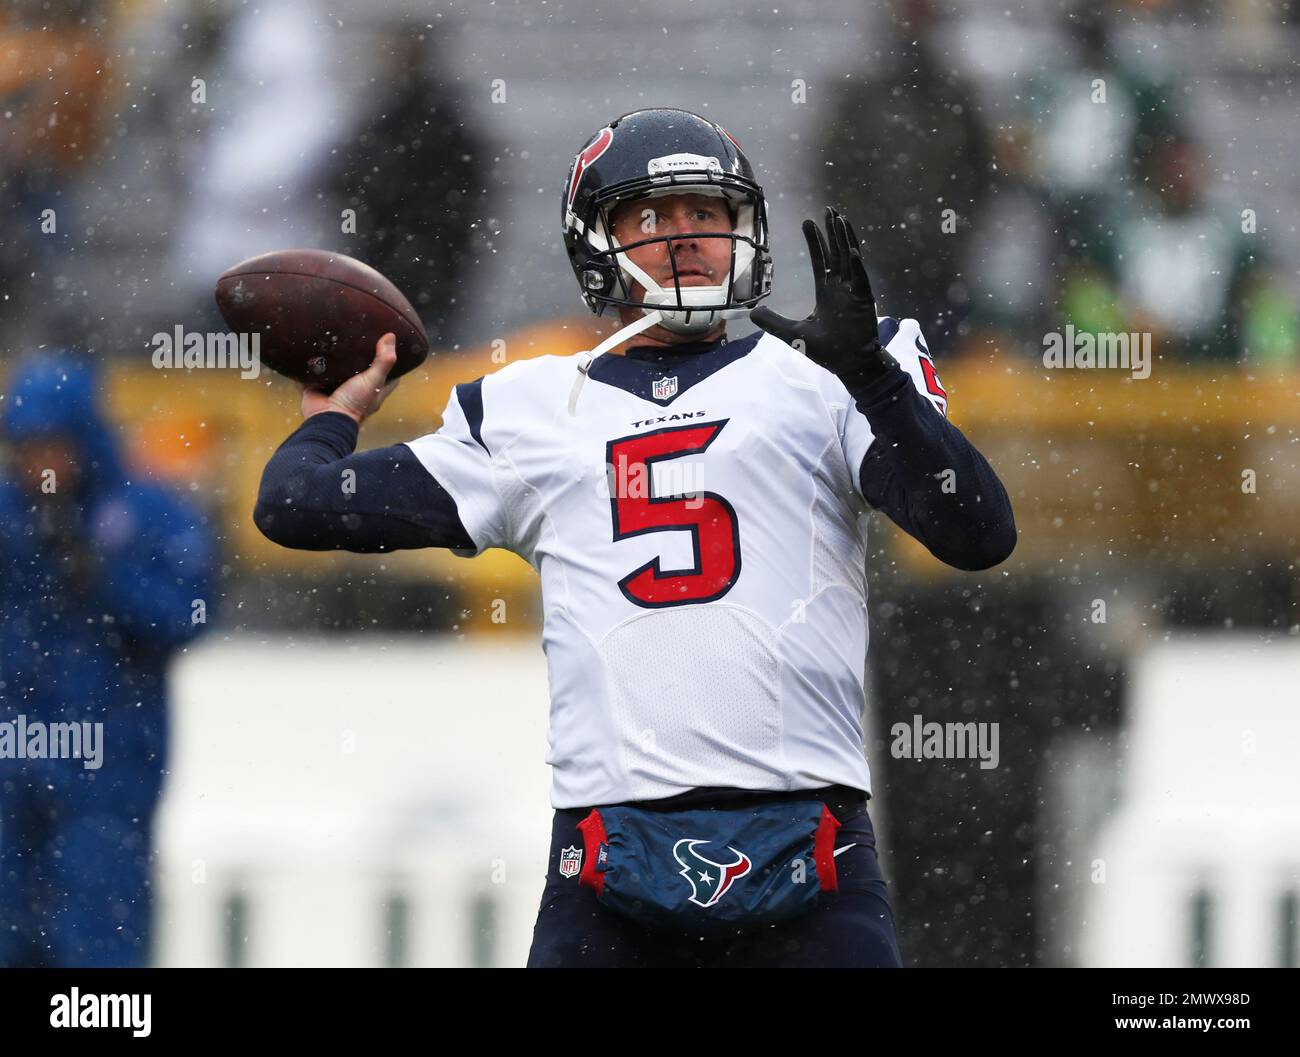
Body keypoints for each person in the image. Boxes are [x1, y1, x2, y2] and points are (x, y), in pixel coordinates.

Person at [253, 108, 1016, 967]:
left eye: (708, 213)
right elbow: (294, 504)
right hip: (607, 863)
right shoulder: (530, 409)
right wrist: (337, 413)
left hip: (813, 851)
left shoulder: (832, 376)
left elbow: (978, 532)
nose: (686, 238)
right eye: (653, 216)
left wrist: (875, 384)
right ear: (596, 241)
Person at [0, 354, 216, 967]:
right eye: (27, 448)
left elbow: (190, 617)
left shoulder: (147, 514)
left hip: (109, 773)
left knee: (100, 944)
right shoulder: (7, 518)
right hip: (12, 765)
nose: (41, 466)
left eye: (53, 446)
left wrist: (104, 576)